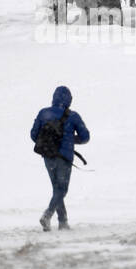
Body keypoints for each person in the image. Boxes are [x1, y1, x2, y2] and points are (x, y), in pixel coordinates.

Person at [29, 85, 89, 231]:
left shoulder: (44, 113)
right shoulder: (73, 116)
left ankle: (63, 222)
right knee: (61, 189)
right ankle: (47, 215)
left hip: (48, 156)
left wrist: (48, 142)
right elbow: (85, 137)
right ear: (69, 99)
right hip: (64, 158)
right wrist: (70, 139)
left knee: (57, 189)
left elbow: (33, 135)